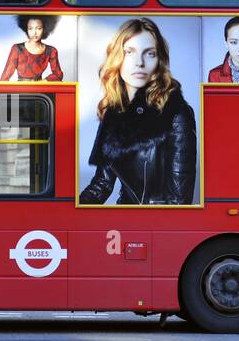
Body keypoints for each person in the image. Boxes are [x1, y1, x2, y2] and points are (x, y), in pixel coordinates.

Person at [79, 18, 196, 205]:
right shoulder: (114, 113)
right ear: (118, 58)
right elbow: (102, 185)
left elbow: (179, 201)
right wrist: (67, 212)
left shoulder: (176, 114)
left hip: (156, 223)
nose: (139, 63)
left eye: (149, 54)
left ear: (159, 61)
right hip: (127, 216)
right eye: (129, 52)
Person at [0, 15, 63, 81]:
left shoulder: (51, 51)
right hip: (21, 89)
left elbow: (58, 74)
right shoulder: (17, 49)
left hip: (40, 89)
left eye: (38, 28)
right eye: (30, 28)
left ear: (44, 28)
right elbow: (5, 78)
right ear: (26, 29)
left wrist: (44, 81)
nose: (34, 33)